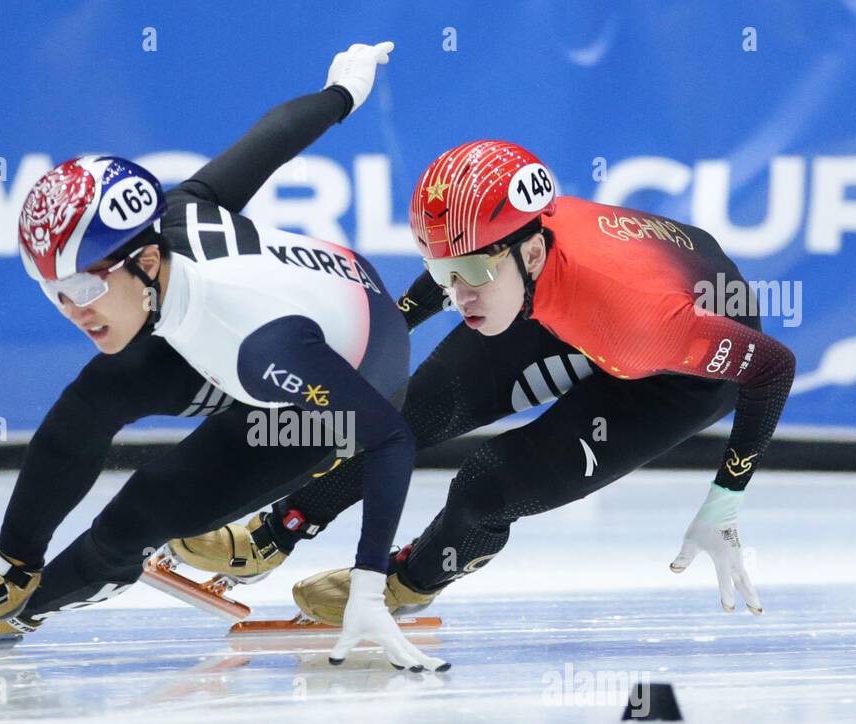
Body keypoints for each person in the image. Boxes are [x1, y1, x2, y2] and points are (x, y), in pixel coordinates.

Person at [0, 42, 448, 671]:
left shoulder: (255, 338)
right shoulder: (179, 213)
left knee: (143, 511)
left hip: (345, 381)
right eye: (54, 293)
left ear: (147, 261)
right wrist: (341, 93)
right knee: (96, 394)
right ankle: (8, 573)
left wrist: (370, 586)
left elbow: (390, 441)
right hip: (268, 323)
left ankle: (27, 609)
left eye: (83, 286)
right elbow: (270, 139)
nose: (74, 310)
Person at [170, 140, 796, 622]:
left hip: (668, 366)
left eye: (468, 270)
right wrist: (381, 331)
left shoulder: (643, 320)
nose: (455, 291)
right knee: (403, 413)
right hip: (557, 299)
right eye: (438, 268)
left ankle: (414, 577)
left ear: (528, 250)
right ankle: (276, 532)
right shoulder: (495, 256)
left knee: (488, 485)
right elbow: (454, 267)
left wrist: (725, 502)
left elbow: (773, 366)